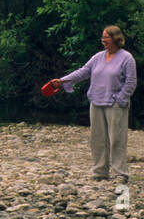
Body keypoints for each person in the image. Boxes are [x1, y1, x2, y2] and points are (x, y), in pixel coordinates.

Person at [49, 26, 137, 183]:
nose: (103, 41)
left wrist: (121, 98)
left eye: (106, 38)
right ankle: (100, 172)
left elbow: (131, 82)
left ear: (116, 38)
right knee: (97, 139)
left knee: (117, 139)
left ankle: (120, 174)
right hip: (96, 101)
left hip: (115, 104)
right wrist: (62, 81)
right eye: (102, 38)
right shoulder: (98, 57)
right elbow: (83, 72)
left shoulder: (127, 58)